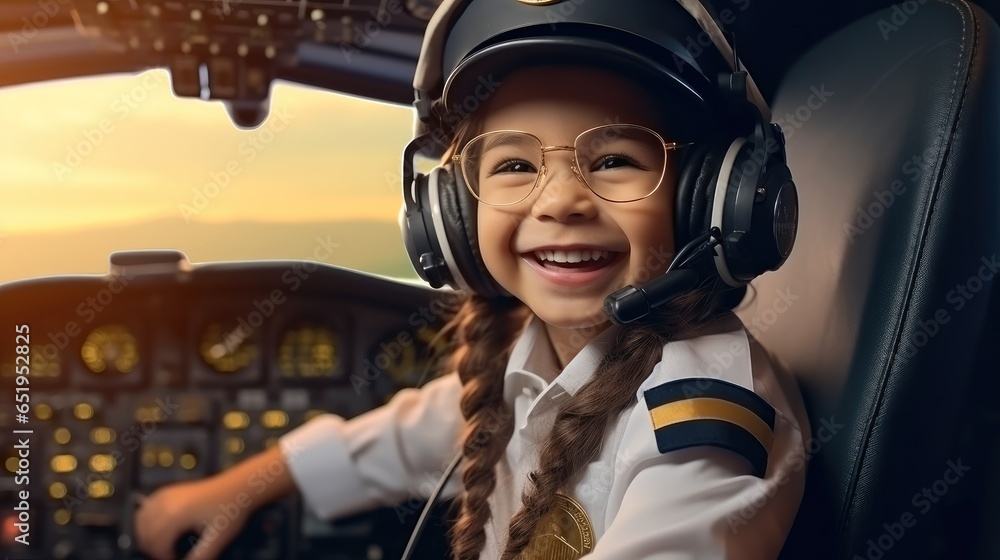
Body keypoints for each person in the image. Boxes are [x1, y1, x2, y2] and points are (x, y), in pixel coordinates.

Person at [134, 0, 810, 558]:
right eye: (514, 166)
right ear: (454, 215)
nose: (560, 201)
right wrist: (242, 484)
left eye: (613, 159)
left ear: (710, 198)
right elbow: (406, 437)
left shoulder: (704, 408)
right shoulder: (528, 366)